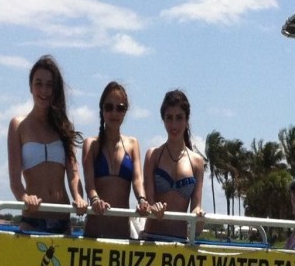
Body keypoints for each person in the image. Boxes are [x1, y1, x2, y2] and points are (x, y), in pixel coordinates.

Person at [7, 55, 88, 230]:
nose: (44, 90)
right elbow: (15, 180)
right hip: (32, 219)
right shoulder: (18, 125)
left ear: (55, 89)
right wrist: (25, 198)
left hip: (62, 219)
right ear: (30, 87)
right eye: (38, 83)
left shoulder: (64, 127)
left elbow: (73, 174)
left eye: (49, 85)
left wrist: (78, 197)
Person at [82, 82, 151, 239]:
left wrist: (142, 200)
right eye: (109, 107)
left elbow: (137, 180)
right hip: (94, 235)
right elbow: (89, 184)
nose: (114, 112)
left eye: (119, 108)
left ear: (125, 112)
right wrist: (95, 200)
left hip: (122, 236)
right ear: (102, 110)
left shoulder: (133, 144)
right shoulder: (91, 144)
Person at [142, 89, 206, 240]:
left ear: (187, 120)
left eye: (179, 118)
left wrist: (199, 214)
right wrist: (153, 206)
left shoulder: (197, 162)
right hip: (151, 239)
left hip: (180, 243)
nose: (174, 124)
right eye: (169, 118)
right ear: (163, 120)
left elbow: (196, 205)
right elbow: (148, 198)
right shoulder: (153, 155)